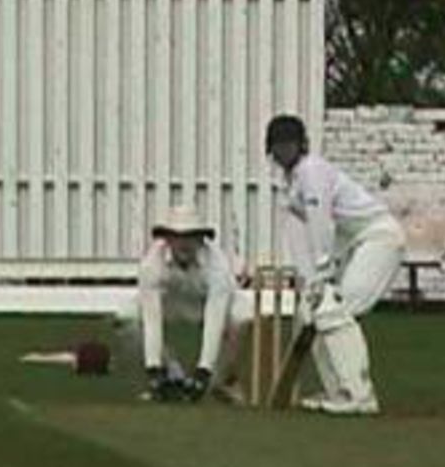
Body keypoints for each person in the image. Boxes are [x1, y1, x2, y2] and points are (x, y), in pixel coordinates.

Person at [266, 113, 406, 416]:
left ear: (302, 144)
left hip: (380, 238)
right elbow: (301, 232)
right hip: (356, 246)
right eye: (278, 145)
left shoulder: (312, 171)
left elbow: (322, 224)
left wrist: (323, 269)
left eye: (289, 144)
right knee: (312, 313)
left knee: (334, 311)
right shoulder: (290, 184)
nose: (283, 151)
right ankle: (337, 392)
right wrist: (309, 280)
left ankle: (359, 396)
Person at [136, 204, 251, 403]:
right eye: (178, 237)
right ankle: (171, 375)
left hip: (208, 304)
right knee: (125, 316)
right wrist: (153, 369)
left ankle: (218, 380)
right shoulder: (151, 264)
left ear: (200, 239)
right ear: (168, 239)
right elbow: (151, 315)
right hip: (173, 305)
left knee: (243, 316)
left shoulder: (218, 266)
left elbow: (216, 316)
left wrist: (203, 371)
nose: (183, 244)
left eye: (189, 237)